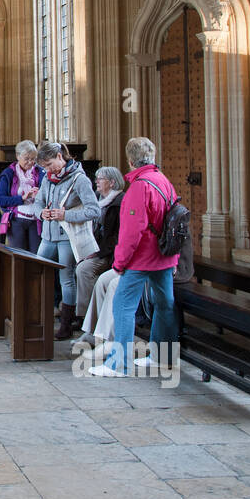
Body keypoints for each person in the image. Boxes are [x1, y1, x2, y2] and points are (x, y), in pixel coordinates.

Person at [90, 137, 180, 377]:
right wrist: (175, 257)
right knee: (164, 304)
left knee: (122, 306)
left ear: (130, 161)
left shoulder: (140, 186)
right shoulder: (164, 181)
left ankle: (119, 364)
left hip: (142, 258)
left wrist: (119, 263)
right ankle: (162, 357)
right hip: (165, 257)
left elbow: (131, 232)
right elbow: (176, 222)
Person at [32, 142, 100, 339]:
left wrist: (66, 215)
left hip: (66, 237)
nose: (47, 169)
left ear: (60, 156)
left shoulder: (79, 179)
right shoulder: (48, 178)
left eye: (49, 164)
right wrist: (41, 213)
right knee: (35, 270)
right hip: (47, 235)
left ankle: (66, 325)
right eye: (44, 167)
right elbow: (38, 203)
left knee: (66, 280)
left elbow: (94, 210)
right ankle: (37, 316)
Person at [74, 166, 125, 324]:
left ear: (111, 182)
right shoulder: (97, 199)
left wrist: (97, 252)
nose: (96, 181)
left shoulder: (120, 203)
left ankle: (88, 317)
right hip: (96, 248)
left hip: (110, 254)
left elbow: (117, 236)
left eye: (100, 178)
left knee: (83, 269)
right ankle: (84, 314)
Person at [0, 140, 43, 252]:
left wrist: (39, 194)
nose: (30, 162)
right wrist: (22, 198)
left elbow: (47, 194)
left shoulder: (40, 172)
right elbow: (1, 200)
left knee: (36, 256)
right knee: (18, 256)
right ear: (18, 156)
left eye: (33, 159)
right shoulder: (8, 174)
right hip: (16, 220)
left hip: (36, 219)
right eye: (27, 159)